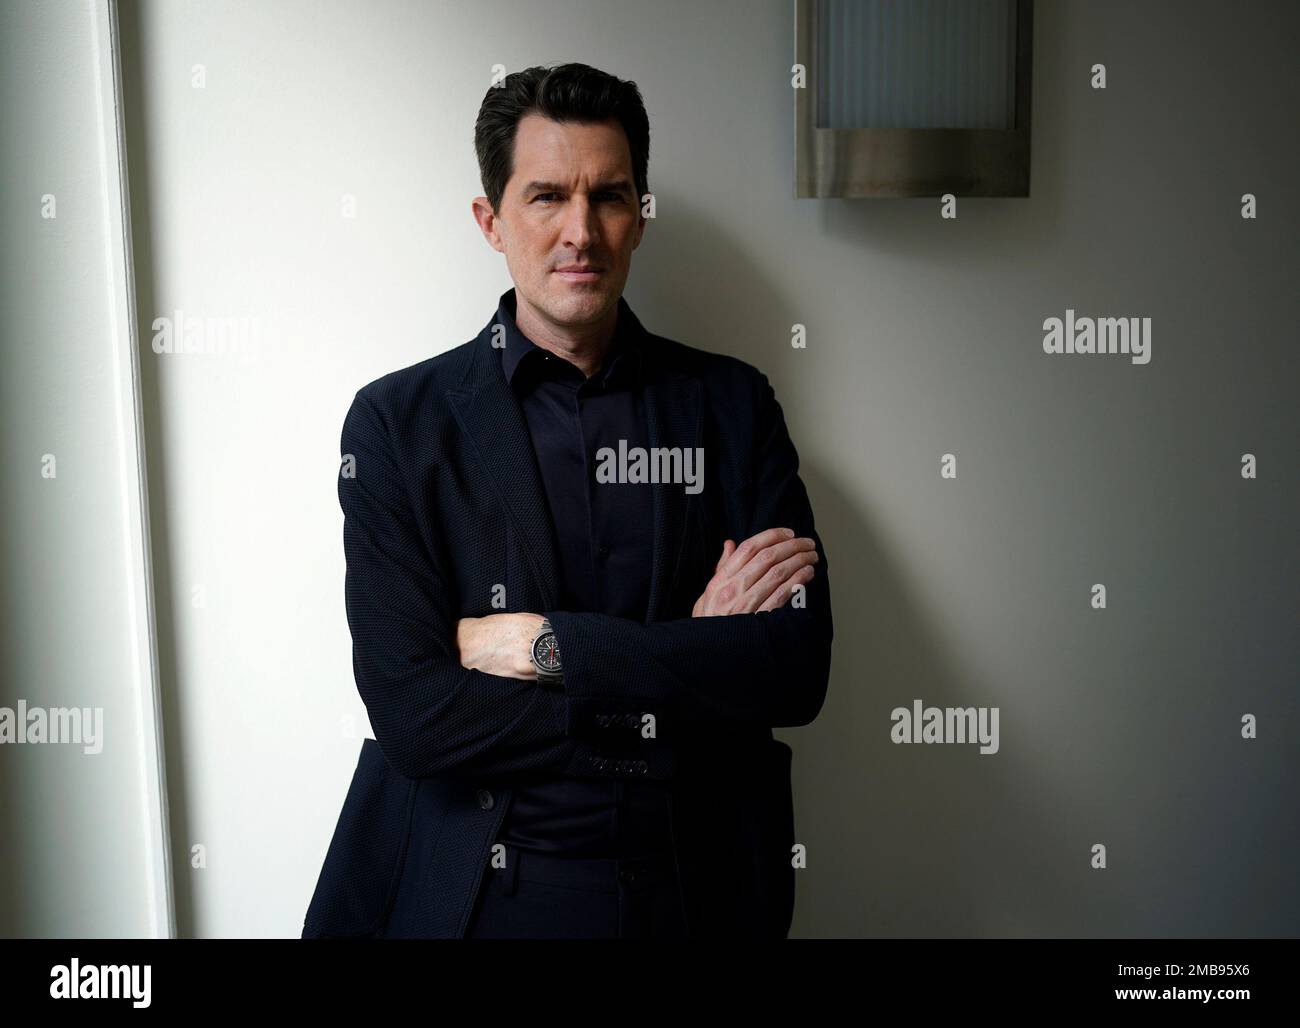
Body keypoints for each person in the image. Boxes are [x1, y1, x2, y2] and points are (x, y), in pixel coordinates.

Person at [302, 62, 833, 939]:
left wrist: (544, 645)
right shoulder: (398, 424)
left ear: (640, 216)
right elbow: (416, 719)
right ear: (491, 222)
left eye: (611, 197)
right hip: (480, 899)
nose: (581, 231)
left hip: (695, 895)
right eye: (547, 196)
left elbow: (794, 669)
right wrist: (685, 666)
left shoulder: (734, 408)